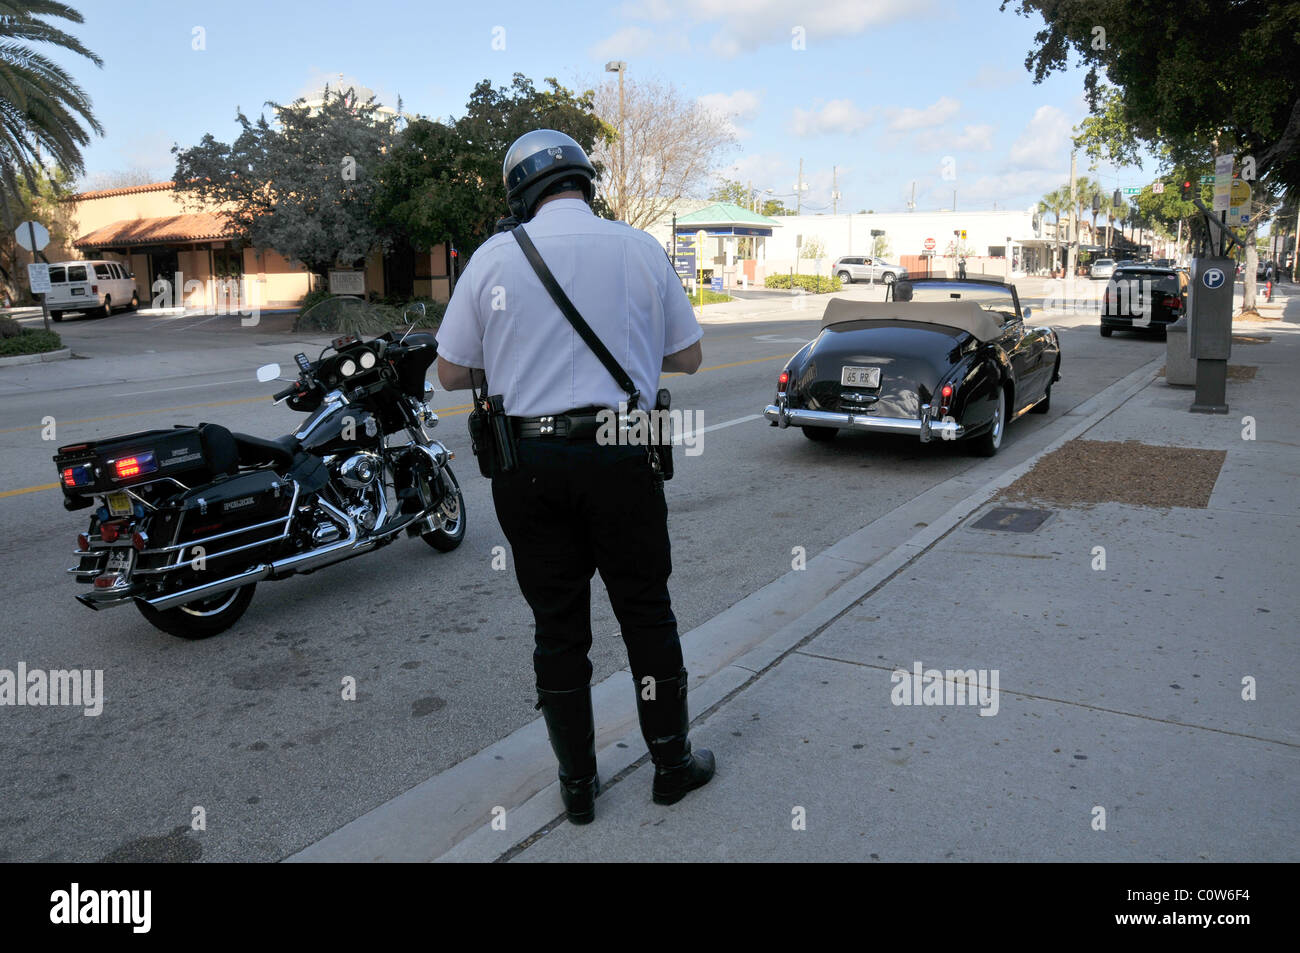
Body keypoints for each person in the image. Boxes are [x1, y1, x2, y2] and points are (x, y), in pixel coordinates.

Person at [434, 129, 714, 825]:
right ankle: (672, 765)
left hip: (528, 463)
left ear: (519, 192)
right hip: (624, 445)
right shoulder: (638, 248)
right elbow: (690, 357)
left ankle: (580, 787)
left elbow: (449, 372)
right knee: (646, 612)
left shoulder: (493, 258)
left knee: (558, 629)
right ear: (587, 183)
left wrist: (514, 353)